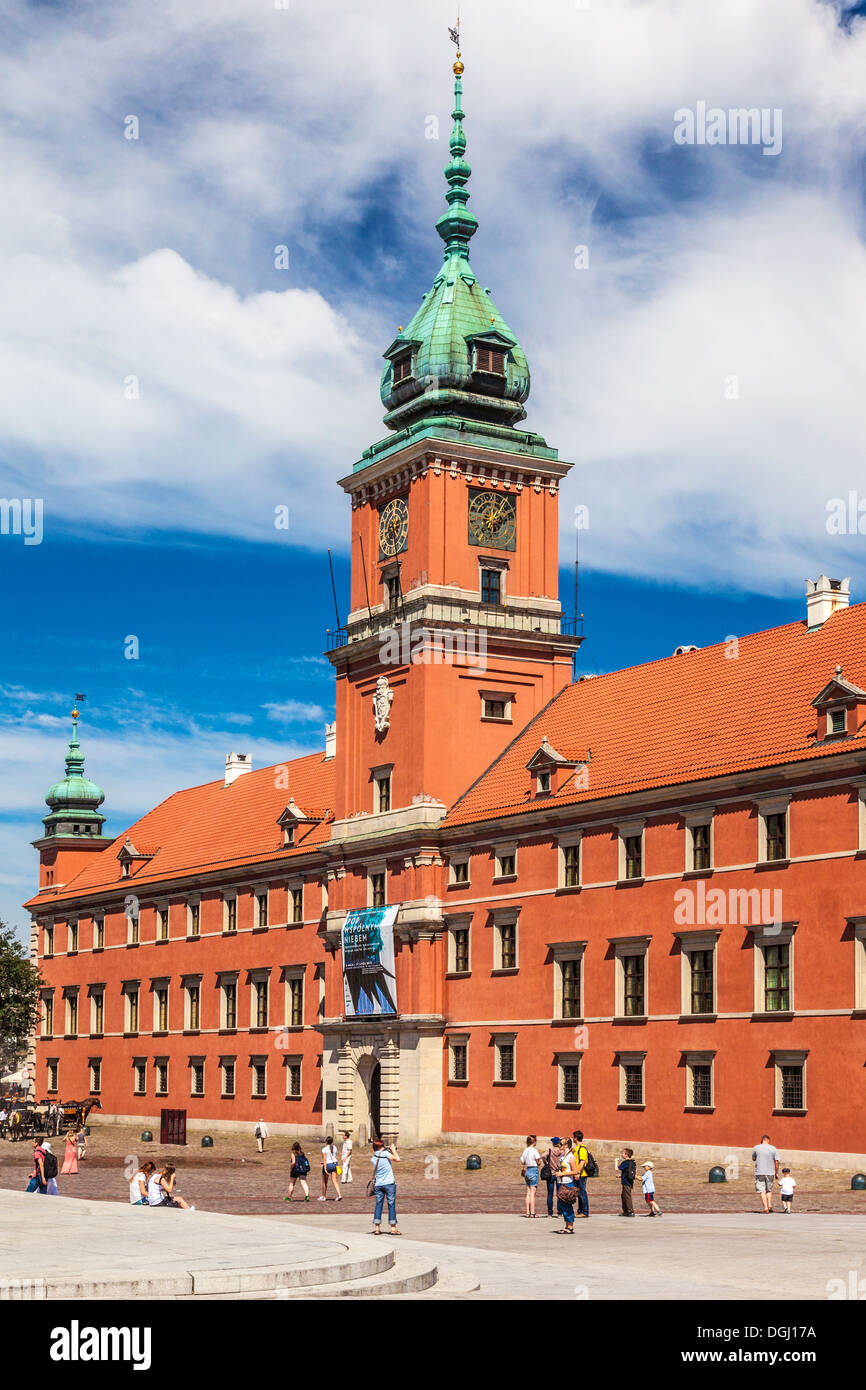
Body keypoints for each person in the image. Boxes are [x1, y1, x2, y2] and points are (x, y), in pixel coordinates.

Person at [370, 1138, 401, 1236]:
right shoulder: (386, 1155)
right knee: (391, 1205)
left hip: (378, 1184)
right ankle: (393, 1228)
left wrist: (387, 1150)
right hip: (389, 1183)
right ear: (381, 1146)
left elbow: (380, 1155)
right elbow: (397, 1159)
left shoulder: (373, 1158)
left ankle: (377, 1228)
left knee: (378, 1205)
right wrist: (393, 1150)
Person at [752, 1134, 780, 1213]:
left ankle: (765, 1207)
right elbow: (777, 1161)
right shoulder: (773, 1149)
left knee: (762, 1190)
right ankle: (770, 1205)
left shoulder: (756, 1148)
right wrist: (776, 1172)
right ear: (768, 1140)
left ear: (762, 1140)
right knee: (769, 1190)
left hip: (759, 1172)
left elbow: (753, 1158)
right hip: (770, 1172)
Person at [556, 1141, 578, 1234]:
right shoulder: (563, 1157)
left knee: (567, 1205)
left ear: (565, 1146)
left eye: (561, 1144)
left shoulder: (571, 1157)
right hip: (561, 1183)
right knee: (562, 1205)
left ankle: (570, 1226)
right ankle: (567, 1225)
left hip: (568, 1183)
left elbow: (575, 1171)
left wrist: (562, 1173)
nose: (559, 1145)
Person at [520, 1134, 542, 1217]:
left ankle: (527, 1212)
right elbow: (538, 1161)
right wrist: (540, 1162)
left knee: (528, 1192)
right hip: (533, 1170)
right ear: (535, 1142)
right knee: (533, 1193)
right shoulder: (534, 1150)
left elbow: (522, 1162)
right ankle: (533, 1212)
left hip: (527, 1170)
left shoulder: (525, 1150)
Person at [542, 1138, 564, 1218]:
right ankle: (559, 1213)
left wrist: (546, 1163)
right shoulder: (561, 1151)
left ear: (552, 1143)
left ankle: (550, 1213)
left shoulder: (549, 1150)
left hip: (550, 1174)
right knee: (559, 1194)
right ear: (559, 1143)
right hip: (559, 1173)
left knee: (550, 1194)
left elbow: (543, 1156)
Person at [319, 1135, 342, 1201]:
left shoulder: (324, 1149)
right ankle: (339, 1194)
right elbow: (334, 1156)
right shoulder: (335, 1147)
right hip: (334, 1164)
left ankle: (323, 1196)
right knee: (335, 1181)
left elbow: (325, 1159)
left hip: (328, 1165)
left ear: (326, 1141)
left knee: (324, 1181)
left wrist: (325, 1168)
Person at [573, 1130, 590, 1218]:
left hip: (581, 1174)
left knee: (582, 1192)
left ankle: (585, 1211)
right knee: (579, 1193)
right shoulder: (576, 1148)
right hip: (577, 1174)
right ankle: (580, 1211)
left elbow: (582, 1162)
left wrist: (578, 1172)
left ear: (575, 1138)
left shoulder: (582, 1148)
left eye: (573, 1137)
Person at [616, 1148, 636, 1216]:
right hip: (629, 1181)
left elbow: (617, 1169)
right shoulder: (632, 1162)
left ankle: (630, 1211)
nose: (622, 1154)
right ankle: (626, 1211)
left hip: (626, 1182)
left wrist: (616, 1161)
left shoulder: (625, 1162)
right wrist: (620, 1176)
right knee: (623, 1196)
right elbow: (626, 1172)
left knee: (627, 1196)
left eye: (623, 1153)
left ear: (626, 1155)